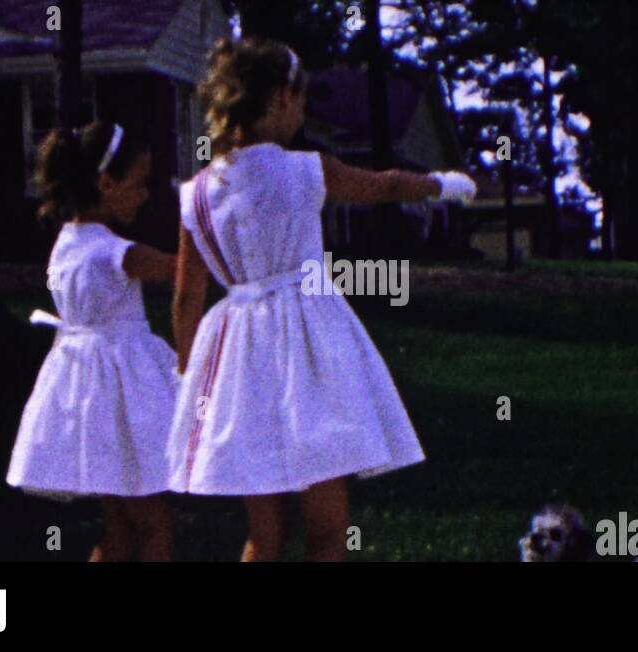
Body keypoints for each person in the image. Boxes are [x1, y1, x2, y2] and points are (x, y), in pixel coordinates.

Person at [167, 38, 477, 561]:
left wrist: (187, 372)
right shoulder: (305, 169)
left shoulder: (196, 193)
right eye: (302, 100)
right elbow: (385, 186)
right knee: (327, 530)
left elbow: (184, 297)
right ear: (281, 100)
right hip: (308, 347)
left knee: (262, 535)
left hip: (238, 355)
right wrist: (442, 184)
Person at [7, 121, 179, 561]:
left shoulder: (66, 242)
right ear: (106, 183)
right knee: (155, 525)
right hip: (122, 398)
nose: (145, 196)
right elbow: (180, 268)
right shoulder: (114, 251)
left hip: (84, 393)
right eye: (139, 185)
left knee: (118, 526)